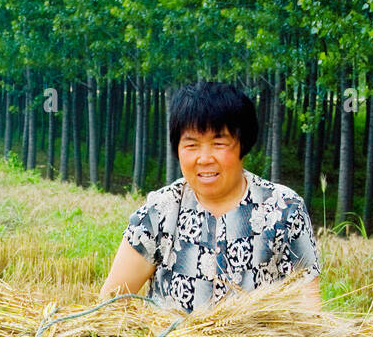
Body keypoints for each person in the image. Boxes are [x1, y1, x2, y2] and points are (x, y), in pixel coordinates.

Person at [98, 80, 322, 315]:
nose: (204, 158)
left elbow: (309, 314)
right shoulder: (160, 212)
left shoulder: (283, 209)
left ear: (242, 145)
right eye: (192, 145)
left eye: (219, 143)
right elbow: (110, 305)